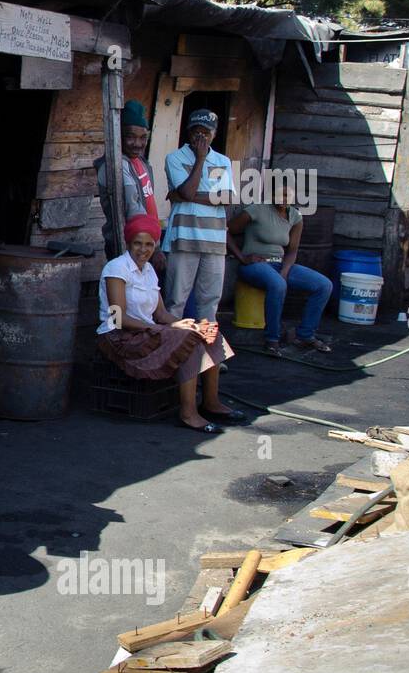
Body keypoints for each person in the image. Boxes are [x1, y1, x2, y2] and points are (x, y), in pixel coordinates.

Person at [98, 213, 245, 433]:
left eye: (149, 244)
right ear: (129, 243)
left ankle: (211, 403)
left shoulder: (148, 271)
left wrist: (188, 324)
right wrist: (160, 329)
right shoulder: (116, 268)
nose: (143, 249)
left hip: (146, 331)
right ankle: (188, 413)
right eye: (138, 243)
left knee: (207, 332)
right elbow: (119, 319)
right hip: (120, 337)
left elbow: (162, 314)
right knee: (188, 342)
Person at [228, 181, 333, 355]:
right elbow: (225, 230)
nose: (283, 198)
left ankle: (305, 335)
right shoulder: (257, 210)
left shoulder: (295, 216)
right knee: (278, 284)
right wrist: (242, 257)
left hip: (280, 264)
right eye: (280, 194)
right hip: (255, 265)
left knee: (324, 285)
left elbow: (292, 251)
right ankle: (272, 339)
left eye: (287, 195)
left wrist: (285, 270)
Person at [162, 109, 235, 321]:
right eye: (196, 132)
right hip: (184, 239)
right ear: (188, 133)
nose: (201, 138)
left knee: (210, 301)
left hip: (214, 240)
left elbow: (227, 198)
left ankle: (205, 350)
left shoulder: (223, 161)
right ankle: (172, 350)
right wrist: (201, 160)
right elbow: (187, 191)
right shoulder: (174, 158)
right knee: (176, 300)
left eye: (206, 133)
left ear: (215, 134)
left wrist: (183, 195)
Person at [95, 100, 164, 272]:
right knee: (127, 296)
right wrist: (151, 246)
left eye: (142, 138)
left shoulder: (140, 162)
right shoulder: (114, 166)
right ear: (119, 136)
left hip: (146, 244)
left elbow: (148, 204)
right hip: (130, 245)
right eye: (130, 137)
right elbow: (133, 207)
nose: (137, 144)